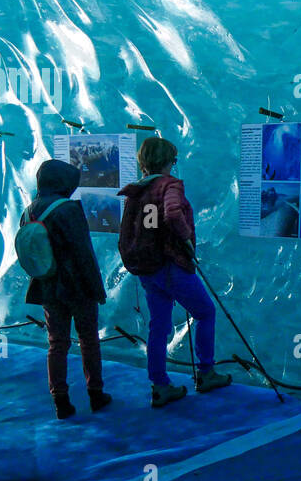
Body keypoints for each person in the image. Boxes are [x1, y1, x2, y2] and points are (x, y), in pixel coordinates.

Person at [118, 137, 230, 407]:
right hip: (170, 265)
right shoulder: (169, 185)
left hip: (148, 269)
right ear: (167, 161)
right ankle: (205, 373)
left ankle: (160, 385)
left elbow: (149, 224)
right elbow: (171, 214)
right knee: (205, 312)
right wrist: (187, 240)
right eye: (174, 160)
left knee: (159, 325)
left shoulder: (139, 190)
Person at [21, 159, 112, 420]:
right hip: (77, 287)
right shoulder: (68, 209)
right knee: (88, 340)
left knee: (56, 343)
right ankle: (96, 393)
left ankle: (60, 399)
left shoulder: (29, 211)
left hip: (47, 286)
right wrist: (97, 289)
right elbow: (83, 253)